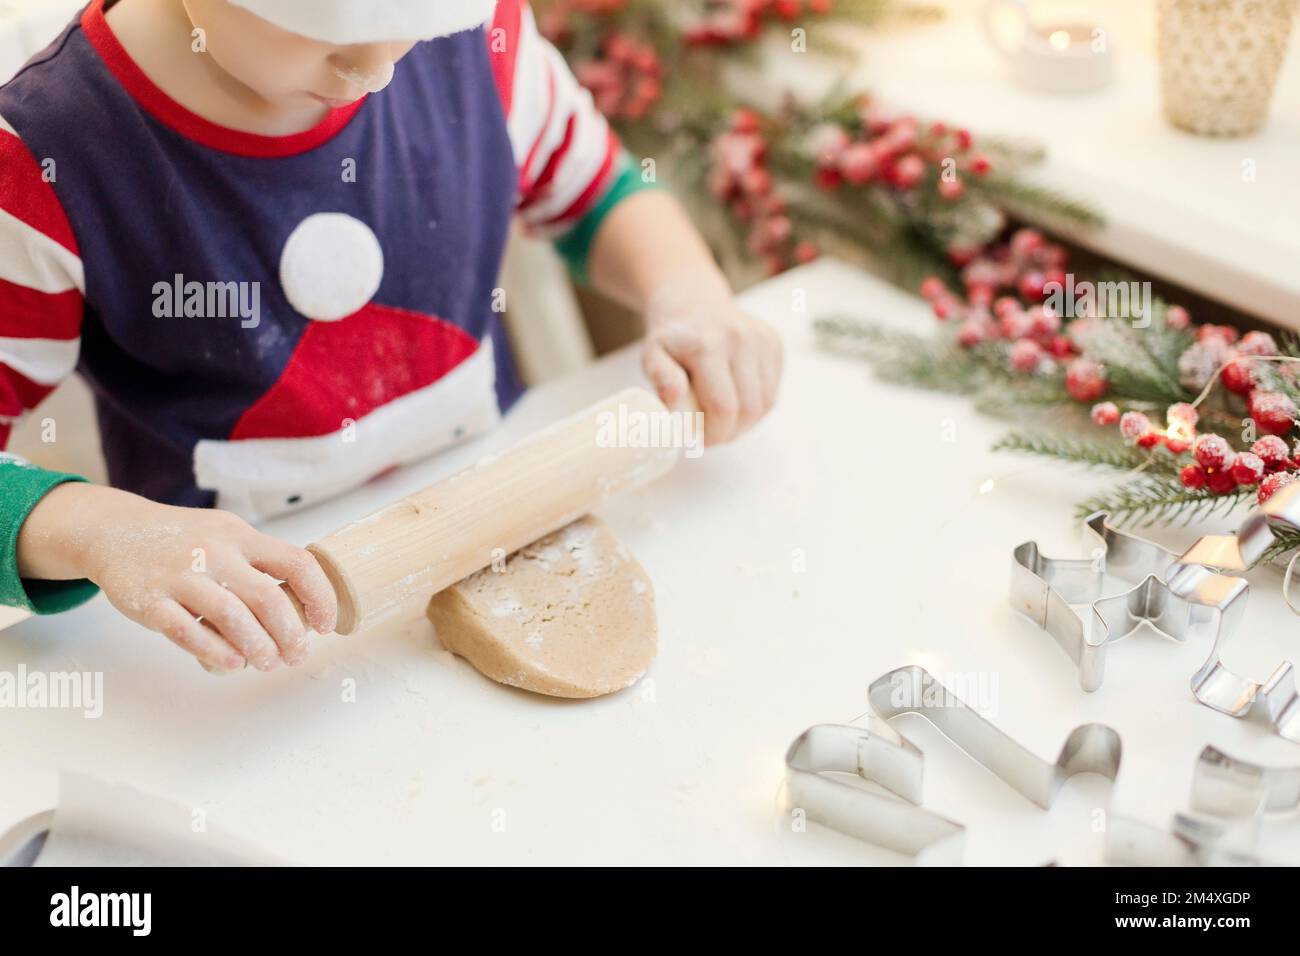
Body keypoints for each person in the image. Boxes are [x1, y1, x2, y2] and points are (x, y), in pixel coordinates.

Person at [0, 0, 783, 673]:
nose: (373, 70)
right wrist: (104, 533)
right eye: (329, 27)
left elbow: (597, 191)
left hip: (493, 521)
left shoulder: (476, 47)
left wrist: (686, 290)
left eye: (413, 23)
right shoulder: (44, 157)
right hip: (253, 643)